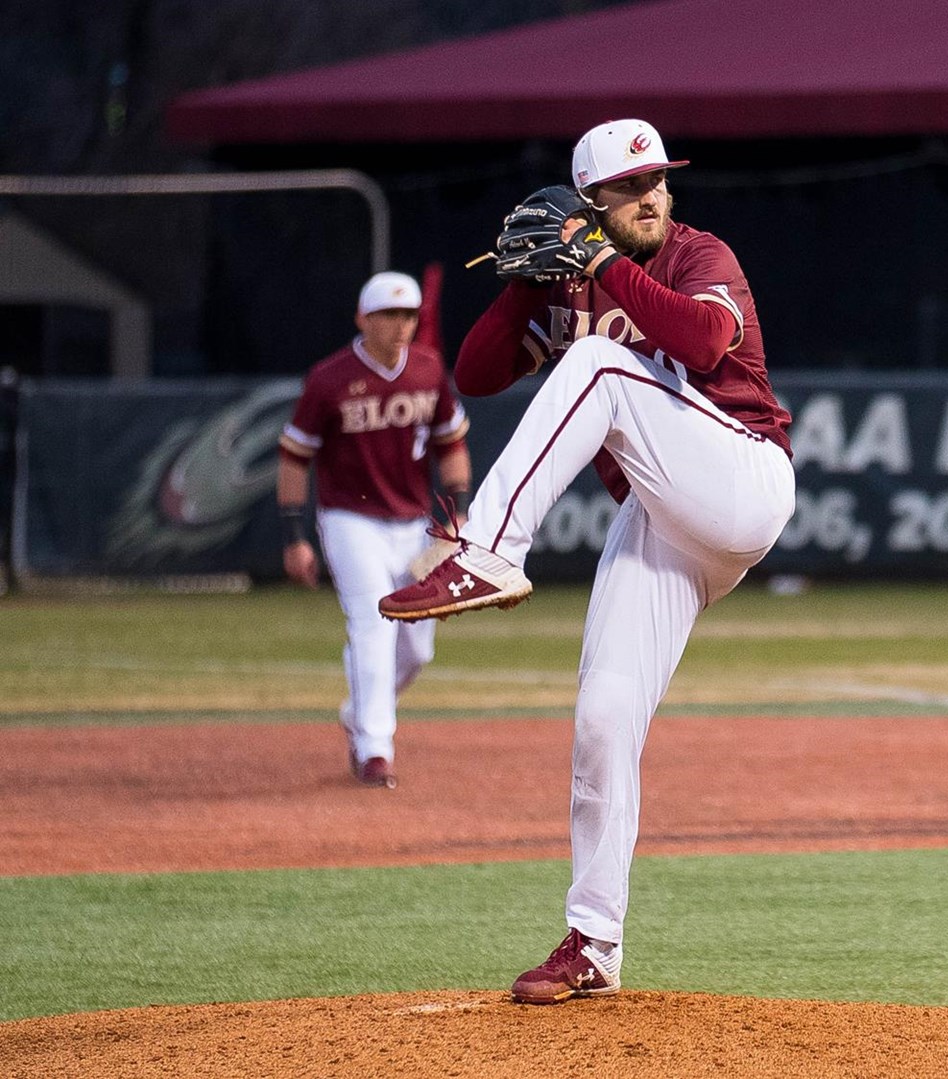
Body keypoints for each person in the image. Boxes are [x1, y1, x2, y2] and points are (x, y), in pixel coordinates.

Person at [378, 119, 795, 1004]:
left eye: (658, 179)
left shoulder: (696, 253)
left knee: (603, 363)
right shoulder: (568, 285)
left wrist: (600, 266)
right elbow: (476, 373)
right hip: (663, 518)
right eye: (629, 187)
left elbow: (703, 345)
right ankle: (594, 940)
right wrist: (528, 288)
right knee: (605, 717)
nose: (652, 195)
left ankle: (488, 553)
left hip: (744, 477)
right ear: (589, 204)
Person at [277, 270, 473, 789]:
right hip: (349, 519)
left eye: (408, 314)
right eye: (388, 315)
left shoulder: (429, 370)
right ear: (363, 318)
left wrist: (459, 512)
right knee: (372, 622)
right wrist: (294, 535)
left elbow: (451, 444)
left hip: (415, 525)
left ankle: (359, 710)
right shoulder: (330, 378)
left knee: (418, 648)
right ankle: (375, 750)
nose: (400, 325)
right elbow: (294, 458)